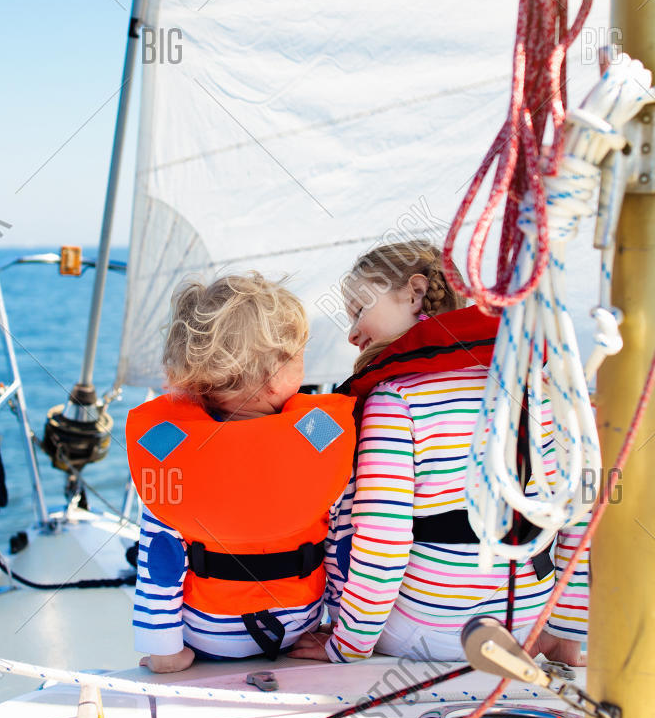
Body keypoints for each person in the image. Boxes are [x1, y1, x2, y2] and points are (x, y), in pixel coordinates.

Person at [290, 240, 589, 667]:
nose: (351, 332)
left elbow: (384, 541)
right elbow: (578, 519)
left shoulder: (396, 399)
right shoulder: (537, 388)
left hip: (428, 629)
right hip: (523, 627)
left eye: (358, 310)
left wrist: (347, 646)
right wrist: (563, 637)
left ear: (414, 293)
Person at [128, 273, 356, 673]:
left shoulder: (169, 445)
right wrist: (337, 628)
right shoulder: (321, 435)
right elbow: (341, 544)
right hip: (298, 627)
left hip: (207, 634)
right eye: (299, 354)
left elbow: (159, 559)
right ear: (274, 379)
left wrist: (164, 650)